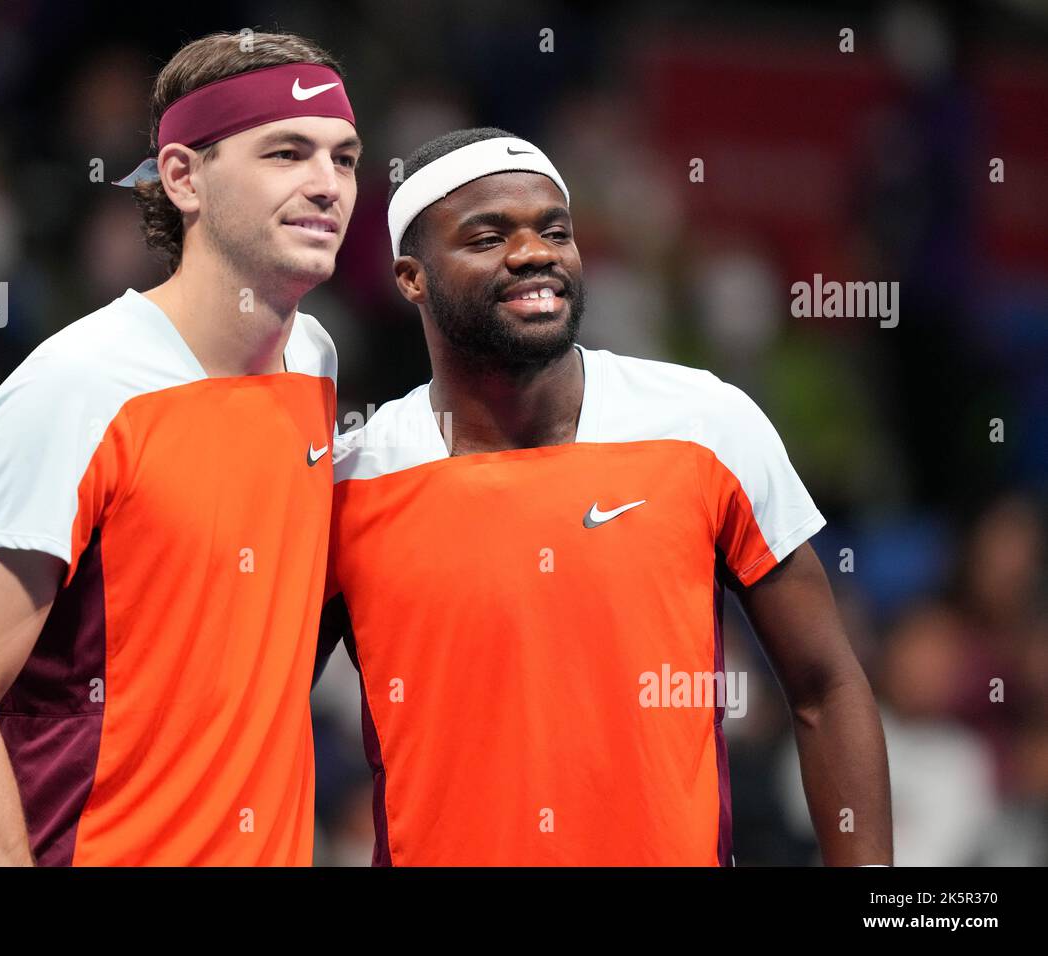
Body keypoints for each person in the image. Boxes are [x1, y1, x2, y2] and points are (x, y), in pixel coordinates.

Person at [317, 127, 891, 866]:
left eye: (554, 230)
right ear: (411, 277)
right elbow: (256, 717)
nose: (534, 254)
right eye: (488, 236)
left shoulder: (704, 423)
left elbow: (825, 686)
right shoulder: (351, 478)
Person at [0, 30, 361, 865]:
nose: (326, 185)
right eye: (287, 153)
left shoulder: (316, 362)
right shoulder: (74, 389)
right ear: (184, 178)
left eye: (345, 157)